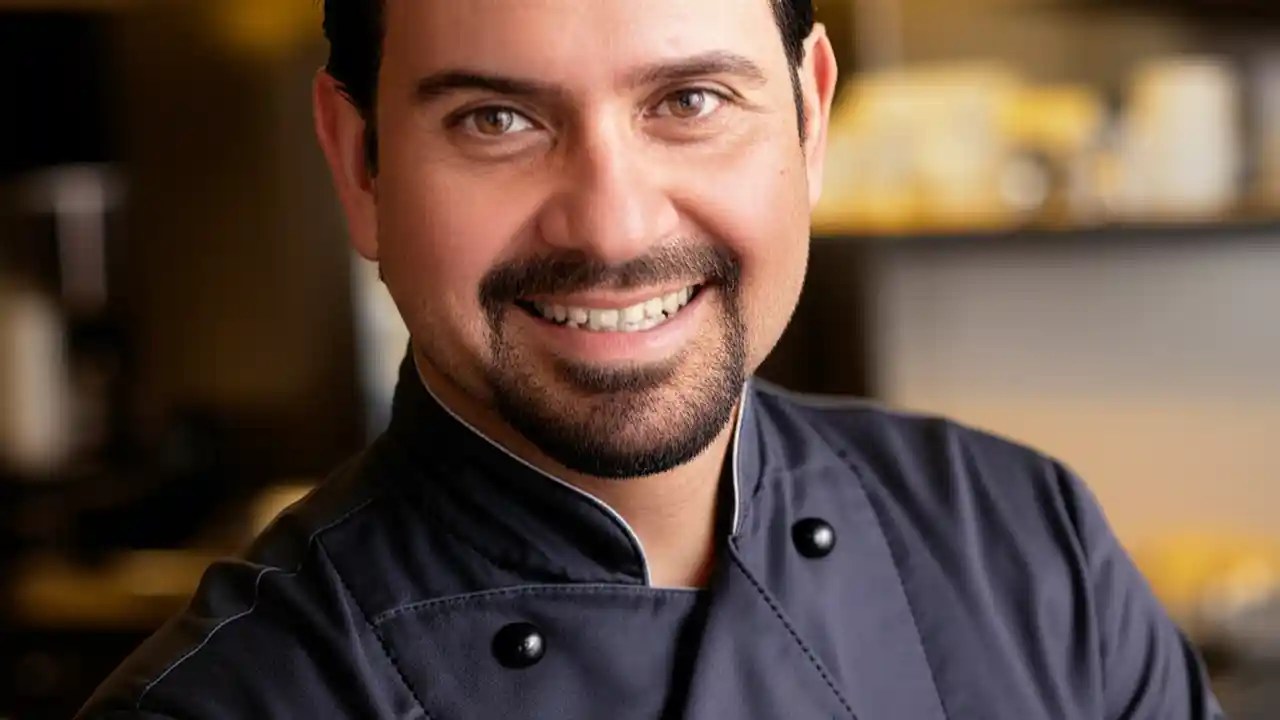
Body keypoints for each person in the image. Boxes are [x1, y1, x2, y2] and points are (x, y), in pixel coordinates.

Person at [80, 1, 1224, 718]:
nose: (613, 229)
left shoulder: (1023, 540)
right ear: (358, 165)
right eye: (495, 120)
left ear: (808, 121)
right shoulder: (237, 700)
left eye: (688, 99)